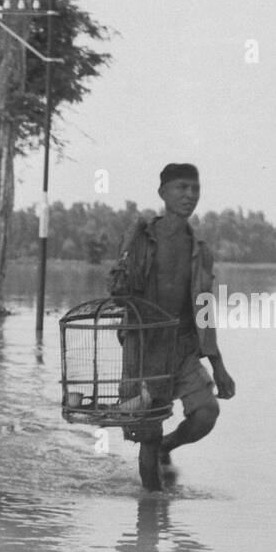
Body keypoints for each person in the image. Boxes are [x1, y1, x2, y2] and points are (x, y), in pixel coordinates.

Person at [108, 163, 236, 491]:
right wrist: (124, 269)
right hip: (144, 348)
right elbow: (118, 291)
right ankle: (151, 515)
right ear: (162, 193)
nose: (189, 195)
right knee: (148, 434)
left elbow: (204, 308)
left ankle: (170, 445)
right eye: (181, 188)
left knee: (206, 412)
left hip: (182, 346)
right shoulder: (141, 236)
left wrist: (218, 365)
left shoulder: (200, 250)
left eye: (195, 189)